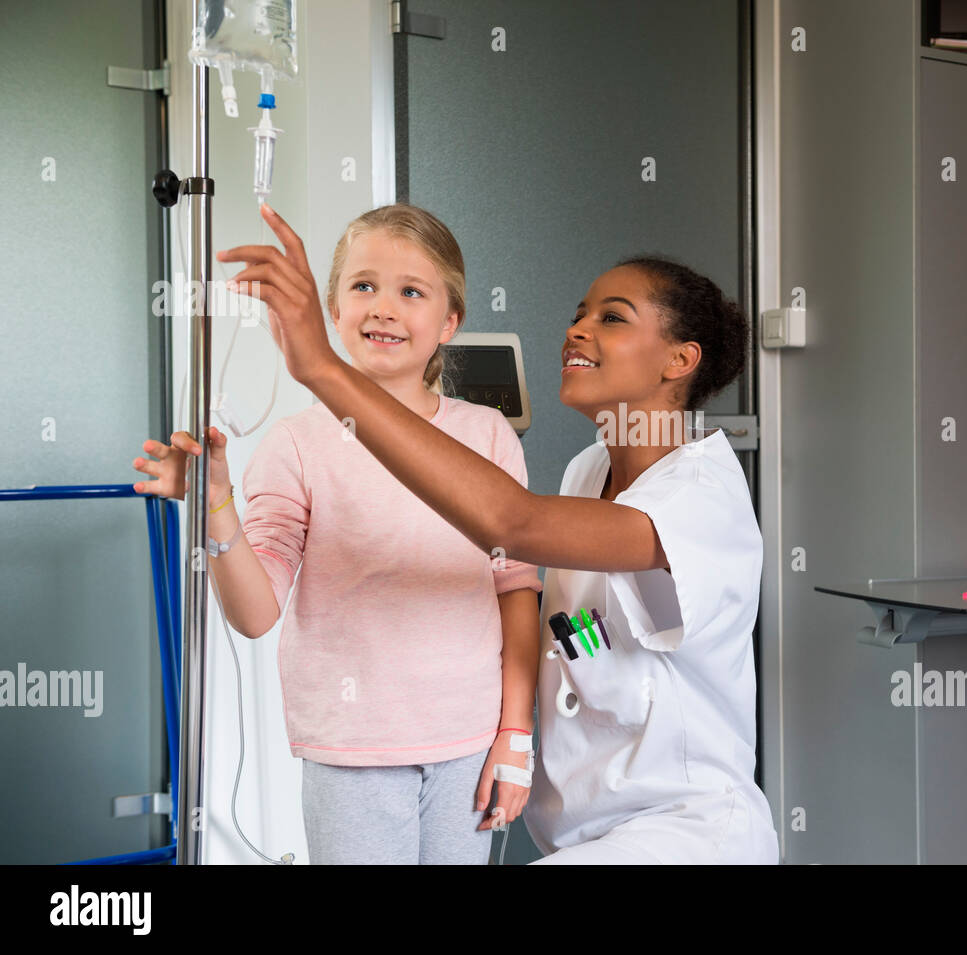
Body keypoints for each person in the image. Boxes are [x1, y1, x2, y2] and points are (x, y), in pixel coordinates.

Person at [220, 201, 779, 864]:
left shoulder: (701, 498)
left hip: (681, 829)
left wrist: (321, 368)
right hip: (578, 829)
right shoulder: (587, 471)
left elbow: (511, 524)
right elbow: (583, 627)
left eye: (612, 318)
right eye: (579, 313)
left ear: (679, 360)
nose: (576, 330)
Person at [132, 204, 540, 864]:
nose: (384, 307)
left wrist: (515, 735)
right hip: (353, 753)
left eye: (411, 291)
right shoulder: (296, 444)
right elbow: (256, 613)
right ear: (331, 308)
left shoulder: (486, 435)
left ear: (449, 322)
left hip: (468, 744)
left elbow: (517, 588)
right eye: (363, 285)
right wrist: (215, 504)